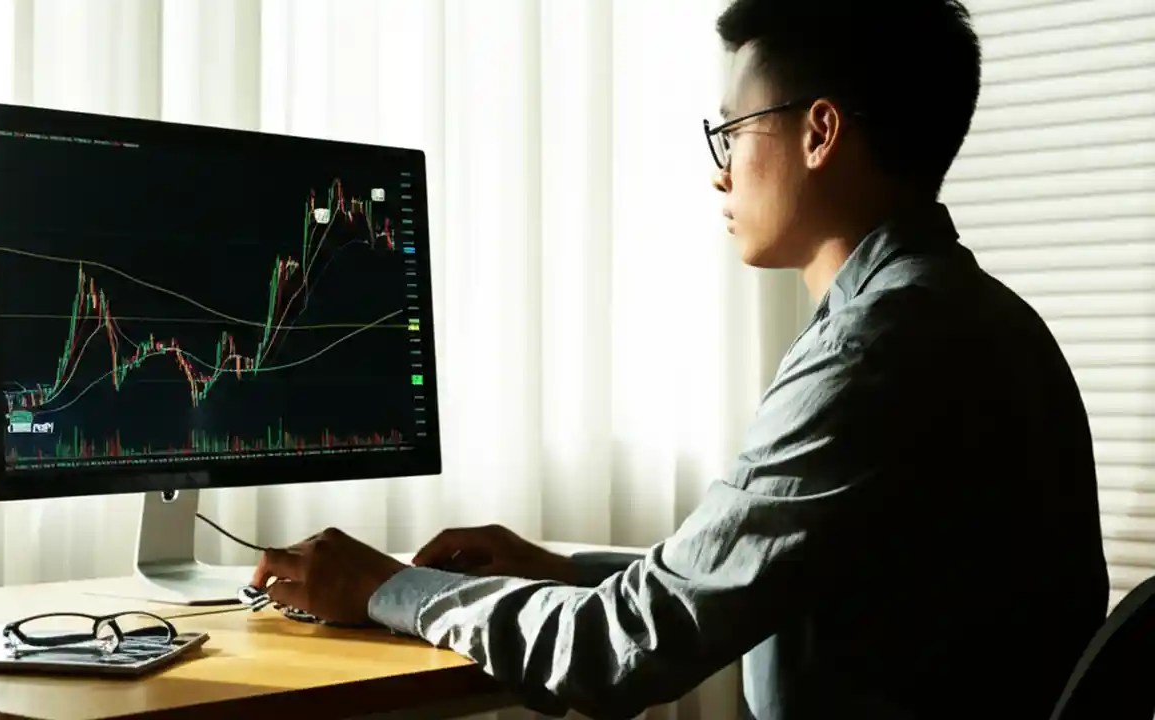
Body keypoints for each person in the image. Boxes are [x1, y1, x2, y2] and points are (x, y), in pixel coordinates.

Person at [250, 0, 1110, 717]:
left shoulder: (874, 351)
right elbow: (782, 577)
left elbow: (619, 654)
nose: (719, 172)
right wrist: (564, 570)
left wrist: (381, 590)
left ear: (819, 133)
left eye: (731, 130)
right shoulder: (982, 318)